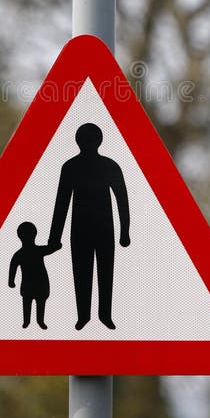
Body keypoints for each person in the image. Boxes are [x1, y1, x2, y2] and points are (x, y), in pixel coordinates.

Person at [47, 123, 129, 330]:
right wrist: (54, 238)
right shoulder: (71, 167)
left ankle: (104, 315)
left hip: (103, 228)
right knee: (82, 272)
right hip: (81, 229)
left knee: (104, 272)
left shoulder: (109, 166)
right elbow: (62, 203)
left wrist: (125, 232)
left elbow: (122, 200)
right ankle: (83, 316)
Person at [8, 221, 52, 329]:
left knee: (40, 303)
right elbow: (13, 268)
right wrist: (11, 281)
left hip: (39, 284)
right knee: (27, 303)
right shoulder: (20, 254)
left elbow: (53, 248)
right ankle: (27, 321)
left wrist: (55, 244)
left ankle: (39, 321)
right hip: (30, 285)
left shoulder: (35, 251)